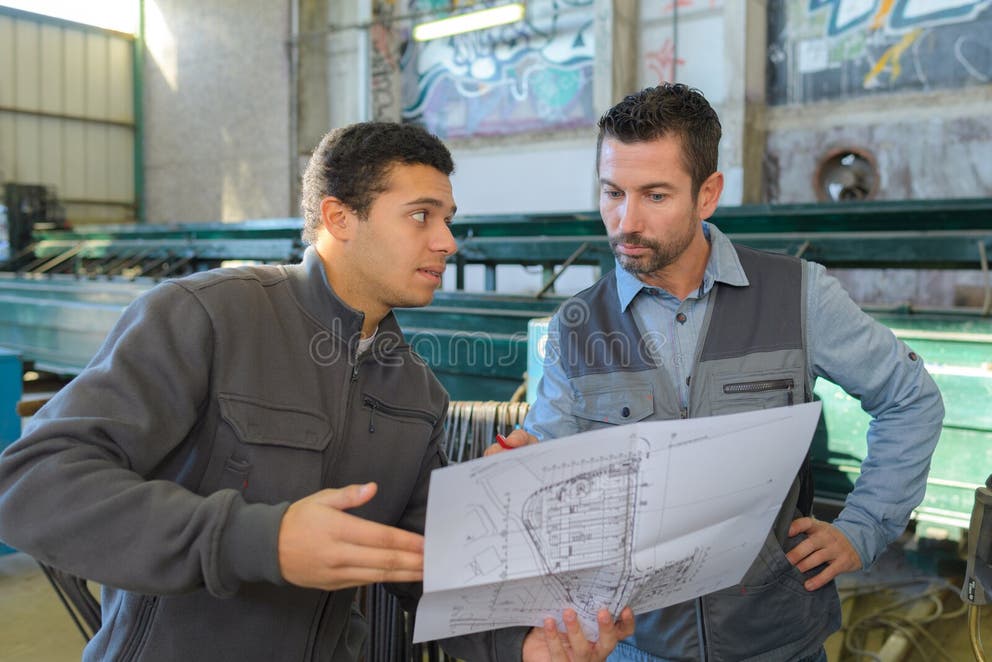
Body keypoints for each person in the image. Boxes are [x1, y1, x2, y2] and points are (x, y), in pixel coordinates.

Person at [0, 122, 633, 662]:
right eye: (421, 215)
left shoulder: (417, 391)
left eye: (447, 219)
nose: (447, 241)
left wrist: (520, 641)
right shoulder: (208, 318)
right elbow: (32, 482)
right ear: (339, 217)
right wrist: (258, 540)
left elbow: (423, 564)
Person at [489, 85, 944, 661]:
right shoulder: (577, 326)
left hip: (776, 641)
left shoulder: (797, 295)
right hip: (636, 644)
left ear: (708, 194)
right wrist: (524, 464)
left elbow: (910, 399)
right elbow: (553, 451)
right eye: (613, 192)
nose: (626, 221)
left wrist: (865, 527)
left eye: (655, 195)